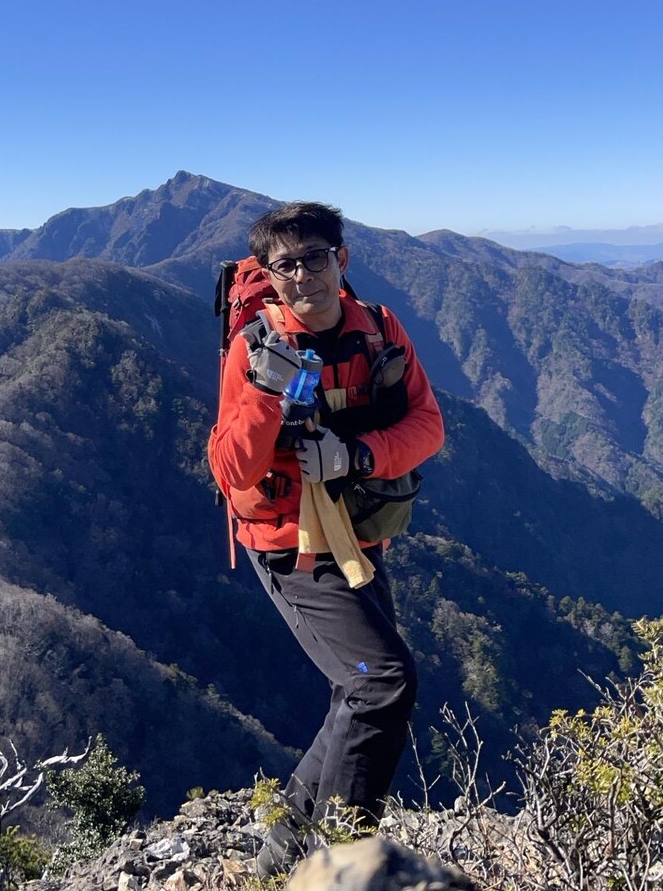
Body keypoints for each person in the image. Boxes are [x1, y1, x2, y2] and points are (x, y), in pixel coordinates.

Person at [208, 201, 444, 876]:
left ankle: (279, 861)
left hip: (355, 534)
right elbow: (230, 470)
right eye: (285, 265)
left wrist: (356, 457)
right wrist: (265, 392)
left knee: (359, 689)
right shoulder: (255, 348)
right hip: (289, 543)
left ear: (341, 259)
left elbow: (427, 425)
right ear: (269, 274)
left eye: (314, 257)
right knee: (382, 684)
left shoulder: (380, 330)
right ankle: (340, 868)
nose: (302, 275)